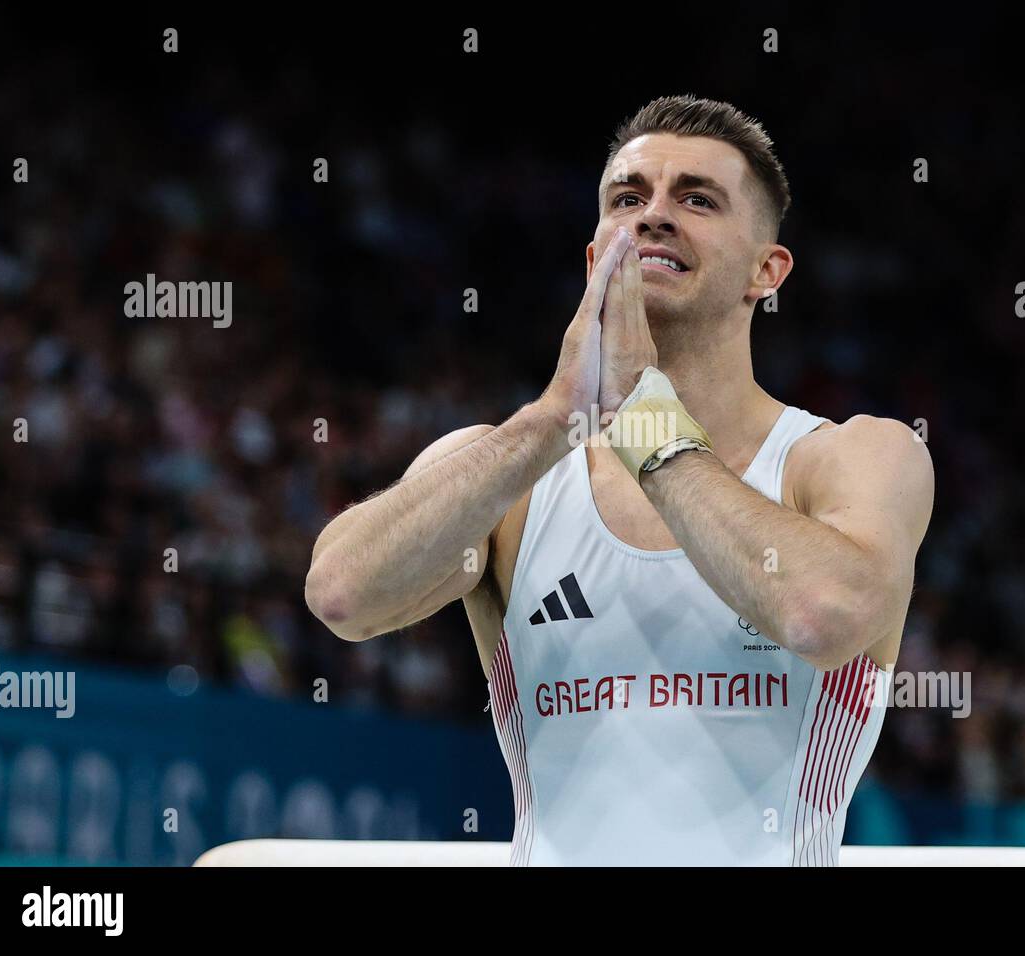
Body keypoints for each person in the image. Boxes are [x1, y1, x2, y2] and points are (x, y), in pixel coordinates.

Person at [305, 95, 934, 865]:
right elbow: (342, 594)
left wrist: (647, 425)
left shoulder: (850, 458)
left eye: (697, 199)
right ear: (595, 253)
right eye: (628, 199)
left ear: (766, 271)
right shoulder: (514, 479)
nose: (654, 215)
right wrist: (549, 422)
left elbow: (821, 616)